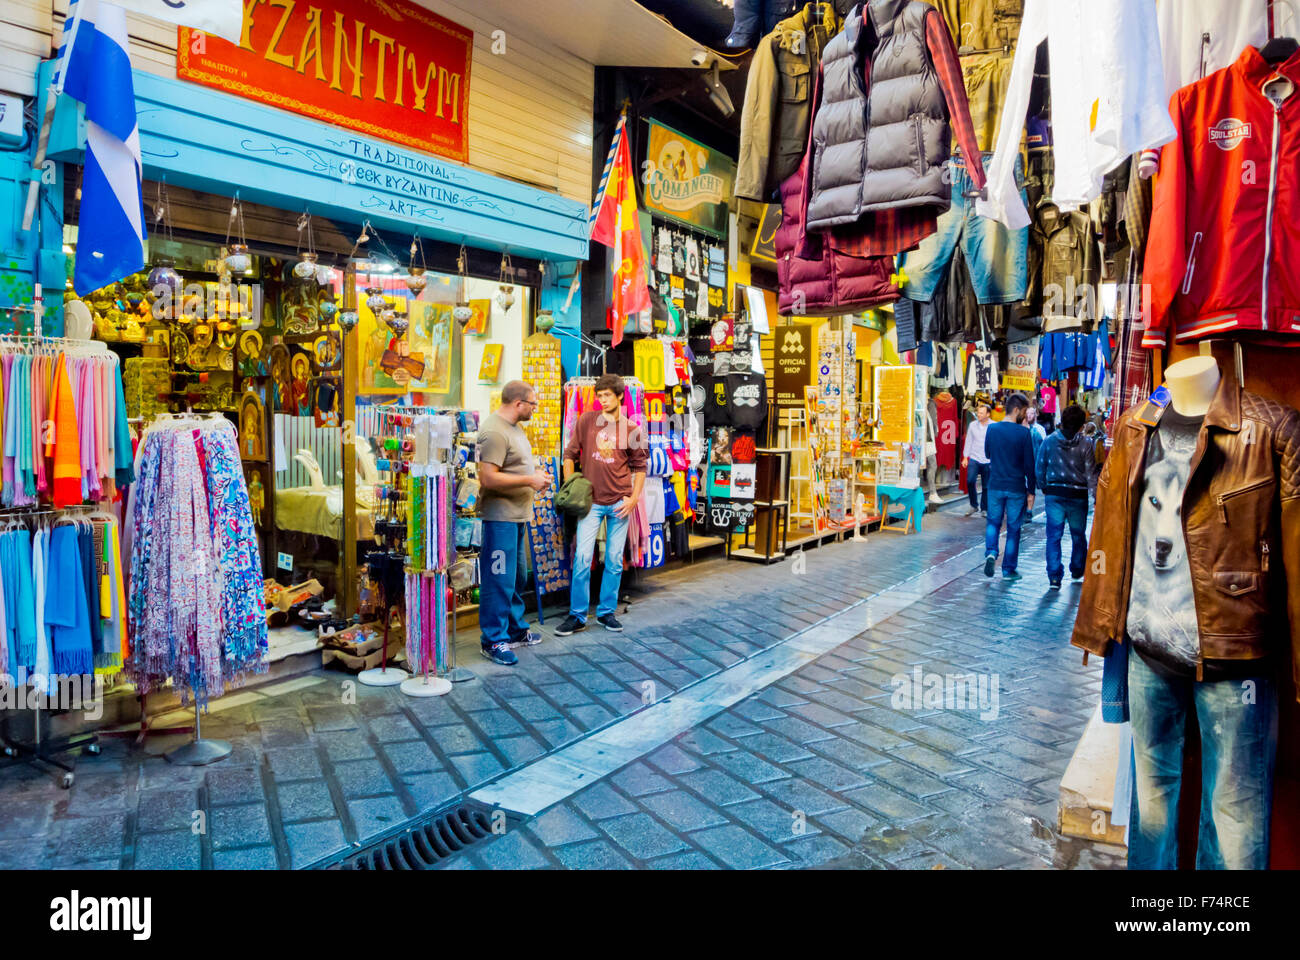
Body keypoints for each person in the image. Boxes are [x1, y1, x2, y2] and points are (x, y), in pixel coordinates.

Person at [554, 374, 647, 635]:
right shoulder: (586, 421)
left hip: (620, 502)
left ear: (619, 396)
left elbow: (641, 467)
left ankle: (607, 612)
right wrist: (573, 484)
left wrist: (634, 498)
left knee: (615, 560)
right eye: (599, 395)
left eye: (607, 395)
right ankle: (577, 615)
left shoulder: (632, 429)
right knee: (583, 558)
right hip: (591, 502)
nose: (602, 400)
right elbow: (569, 455)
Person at [476, 380, 552, 665]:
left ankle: (515, 630)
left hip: (517, 516)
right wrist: (529, 479)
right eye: (533, 404)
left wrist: (536, 475)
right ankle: (493, 640)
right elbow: (488, 477)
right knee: (499, 579)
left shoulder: (514, 428)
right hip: (500, 519)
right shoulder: (494, 431)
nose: (535, 409)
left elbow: (514, 466)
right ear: (518, 403)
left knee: (517, 576)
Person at [1035, 403, 1098, 589]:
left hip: (1054, 494)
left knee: (1054, 536)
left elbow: (1040, 467)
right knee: (1078, 535)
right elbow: (1091, 474)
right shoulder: (1086, 444)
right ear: (1081, 425)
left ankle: (1054, 576)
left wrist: (1044, 487)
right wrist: (1096, 497)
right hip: (1078, 496)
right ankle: (1077, 569)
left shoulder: (1049, 440)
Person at [983, 392, 1036, 581]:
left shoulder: (992, 429)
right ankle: (1008, 569)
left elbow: (987, 454)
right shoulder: (1024, 433)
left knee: (993, 523)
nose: (1025, 415)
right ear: (1016, 410)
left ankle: (991, 552)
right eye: (1023, 411)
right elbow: (1029, 464)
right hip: (1016, 487)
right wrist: (1032, 489)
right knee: (1013, 529)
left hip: (995, 484)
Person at [962, 402, 992, 516]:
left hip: (987, 459)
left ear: (988, 414)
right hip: (974, 457)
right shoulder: (973, 425)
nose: (978, 415)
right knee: (970, 481)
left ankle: (984, 508)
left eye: (981, 413)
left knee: (986, 486)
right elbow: (969, 441)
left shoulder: (993, 426)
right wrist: (965, 457)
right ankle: (974, 505)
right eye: (978, 412)